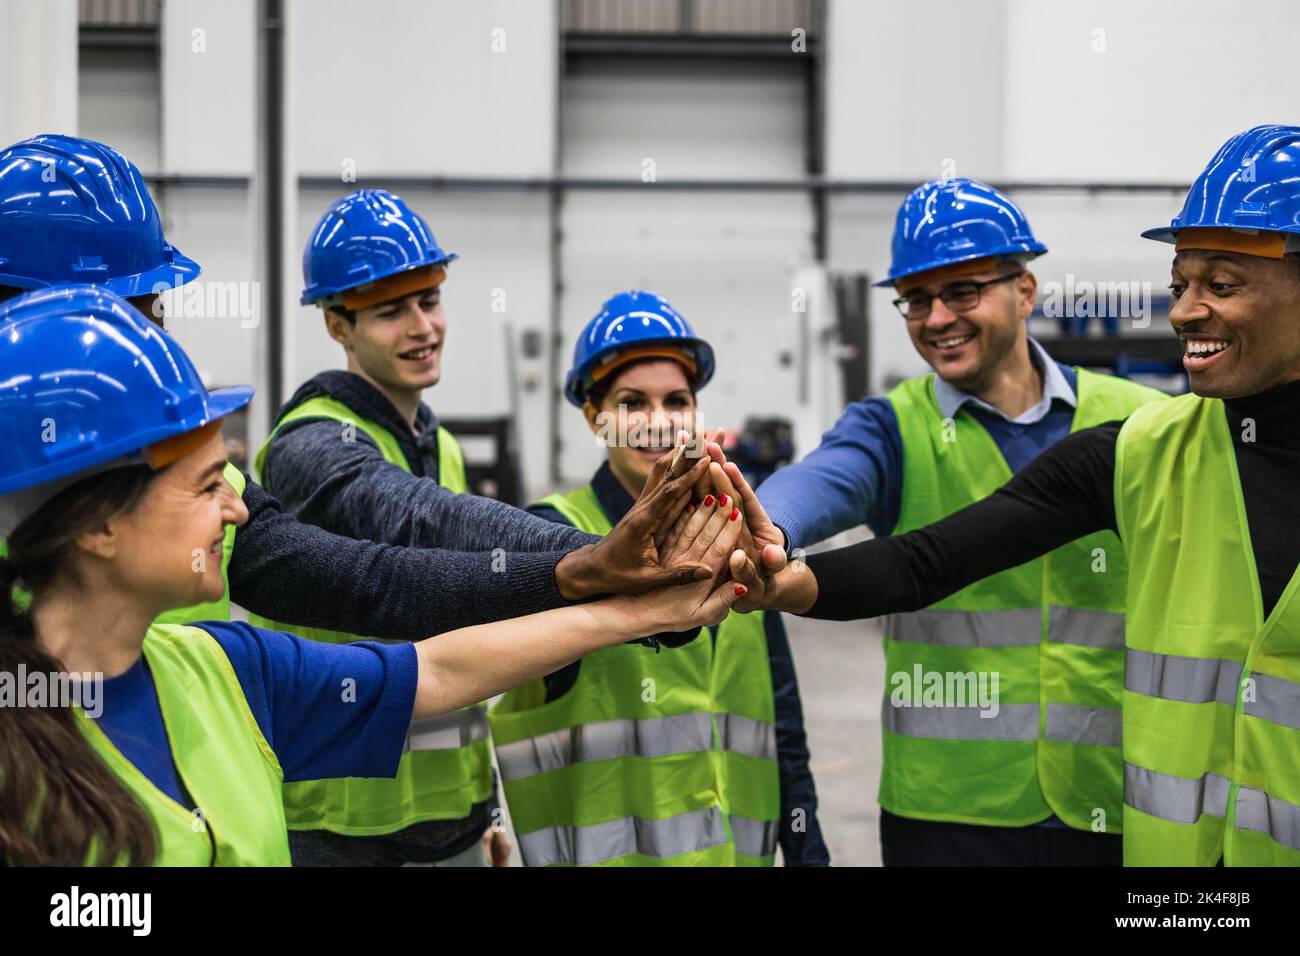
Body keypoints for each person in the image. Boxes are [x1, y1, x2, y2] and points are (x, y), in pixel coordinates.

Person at [0, 285, 746, 867]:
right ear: (94, 523)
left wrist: (636, 608)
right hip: (348, 825)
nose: (239, 509)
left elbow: (436, 671)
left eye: (431, 298)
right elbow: (383, 566)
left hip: (441, 815)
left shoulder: (223, 669)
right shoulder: (313, 444)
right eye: (207, 486)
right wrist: (591, 564)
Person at [737, 125, 1300, 867]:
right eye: (916, 300)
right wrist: (772, 546)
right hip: (974, 812)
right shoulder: (1134, 448)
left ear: (1025, 290)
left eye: (1220, 286)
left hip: (1100, 805)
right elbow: (910, 549)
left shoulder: (1129, 414)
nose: (1186, 311)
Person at [0, 134, 718, 658]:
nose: (421, 327)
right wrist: (593, 565)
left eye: (151, 314)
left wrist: (598, 573)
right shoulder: (316, 443)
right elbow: (415, 526)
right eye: (390, 309)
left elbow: (352, 578)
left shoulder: (183, 459)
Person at [751, 178, 1167, 865]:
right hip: (946, 813)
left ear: (1025, 291)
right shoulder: (892, 428)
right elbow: (822, 481)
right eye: (916, 299)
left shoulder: (1140, 423)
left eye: (962, 292)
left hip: (1114, 798)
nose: (937, 317)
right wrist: (767, 526)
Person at [490, 291, 829, 866]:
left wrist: (807, 849)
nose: (659, 421)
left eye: (677, 400)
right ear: (595, 417)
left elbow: (780, 709)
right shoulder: (556, 537)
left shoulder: (730, 530)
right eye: (631, 403)